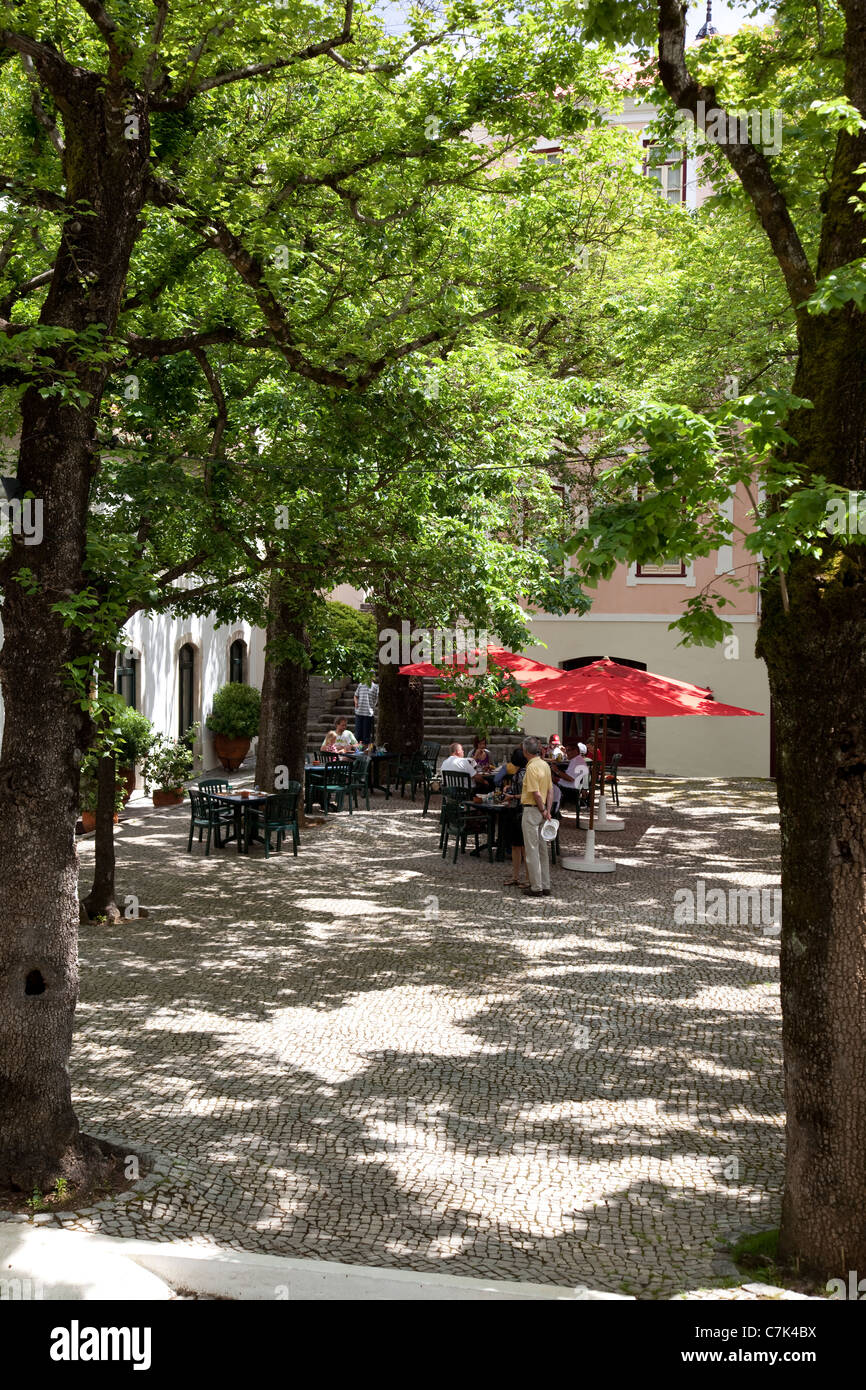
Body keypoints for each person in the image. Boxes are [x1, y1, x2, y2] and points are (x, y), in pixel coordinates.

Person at [520, 735, 553, 897]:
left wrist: (542, 810)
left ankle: (536, 887)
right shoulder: (545, 765)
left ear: (525, 750)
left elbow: (536, 793)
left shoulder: (532, 767)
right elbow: (550, 790)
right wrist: (548, 810)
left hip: (533, 810)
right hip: (542, 811)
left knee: (532, 850)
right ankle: (545, 884)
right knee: (542, 850)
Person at [502, 749, 528, 887]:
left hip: (520, 811)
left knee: (522, 847)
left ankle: (527, 878)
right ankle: (516, 876)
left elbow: (526, 795)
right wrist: (509, 788)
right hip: (515, 810)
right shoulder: (519, 773)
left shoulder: (522, 774)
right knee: (516, 846)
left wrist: (511, 796)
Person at [354, 679, 378, 745]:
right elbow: (356, 695)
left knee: (366, 736)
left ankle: (365, 751)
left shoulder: (375, 687)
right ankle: (357, 750)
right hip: (359, 712)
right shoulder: (361, 684)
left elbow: (376, 699)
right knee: (358, 734)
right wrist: (356, 702)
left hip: (368, 713)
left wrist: (372, 706)